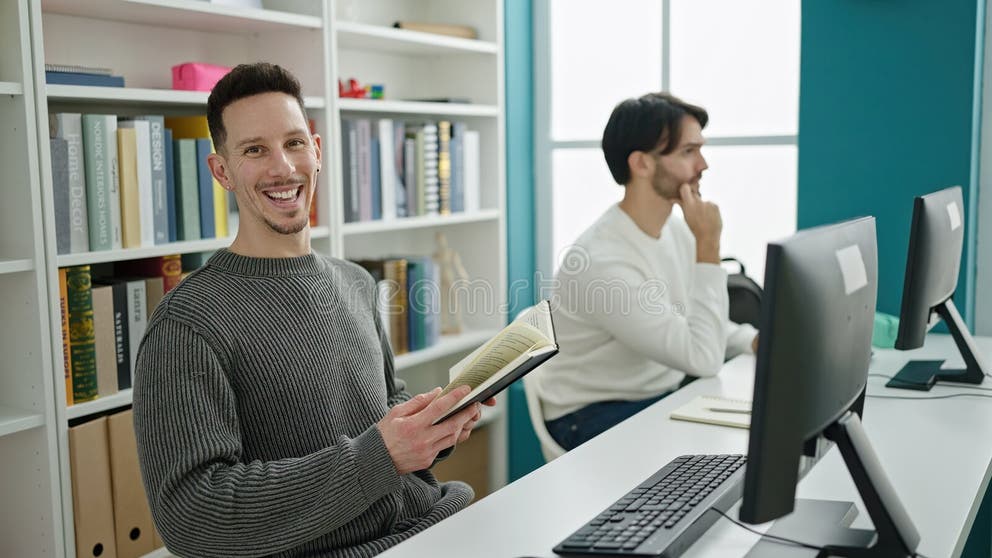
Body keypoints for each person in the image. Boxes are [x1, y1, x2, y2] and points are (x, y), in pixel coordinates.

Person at [132, 62, 491, 558]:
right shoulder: (187, 325)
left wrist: (436, 428)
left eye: (294, 143)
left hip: (437, 524)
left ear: (317, 152)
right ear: (223, 172)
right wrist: (379, 457)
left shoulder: (356, 282)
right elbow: (194, 516)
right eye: (255, 150)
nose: (282, 167)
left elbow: (380, 417)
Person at [534, 92, 758, 451]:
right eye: (688, 152)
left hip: (658, 394)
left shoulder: (675, 229)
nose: (703, 164)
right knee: (729, 452)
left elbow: (687, 319)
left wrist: (750, 339)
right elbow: (703, 358)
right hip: (592, 414)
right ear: (641, 164)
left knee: (752, 438)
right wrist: (709, 247)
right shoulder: (602, 260)